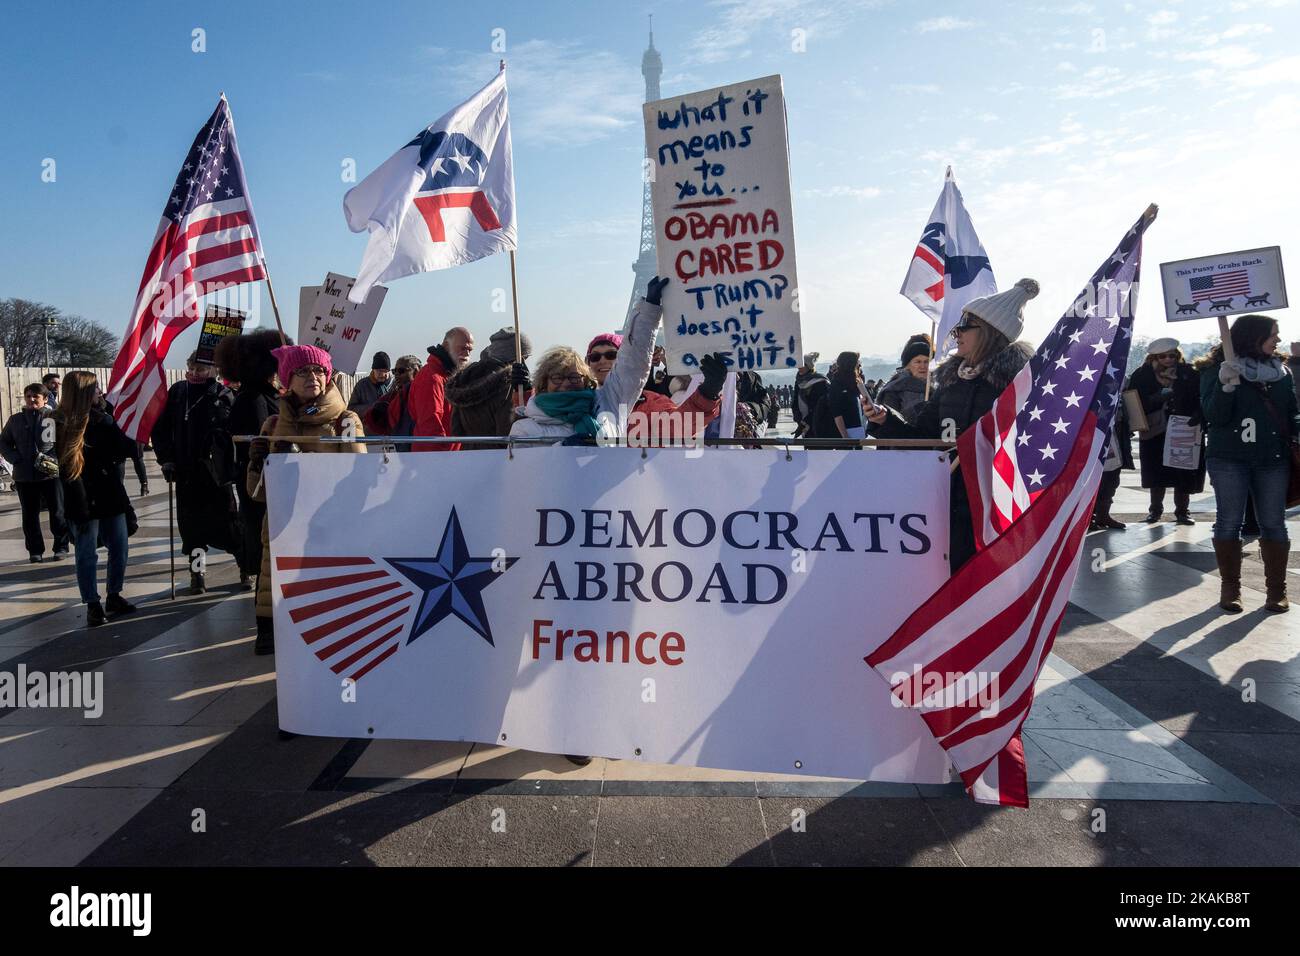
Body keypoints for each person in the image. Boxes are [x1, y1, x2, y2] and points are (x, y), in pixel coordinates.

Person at [869, 278, 1040, 573]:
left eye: (966, 324)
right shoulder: (951, 382)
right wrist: (885, 420)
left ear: (988, 332)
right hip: (948, 501)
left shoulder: (1017, 388)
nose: (956, 331)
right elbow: (923, 436)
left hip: (993, 506)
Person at [246, 346, 366, 654]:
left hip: (326, 530)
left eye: (319, 370)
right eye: (302, 371)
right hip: (283, 528)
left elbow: (359, 482)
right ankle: (268, 629)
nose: (313, 377)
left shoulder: (346, 421)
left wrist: (308, 466)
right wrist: (259, 464)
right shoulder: (273, 425)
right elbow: (257, 494)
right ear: (287, 379)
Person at [1199, 314, 1298, 614]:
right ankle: (1231, 588)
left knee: (1274, 524)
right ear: (1252, 337)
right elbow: (1214, 417)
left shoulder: (1282, 373)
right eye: (1272, 334)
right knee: (1229, 522)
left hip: (1272, 458)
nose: (1277, 339)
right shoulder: (1215, 371)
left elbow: (1291, 412)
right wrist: (1225, 387)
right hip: (1229, 458)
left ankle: (1276, 591)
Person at [511, 278, 668, 443]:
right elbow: (526, 467)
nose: (566, 383)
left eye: (574, 377)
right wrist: (562, 452)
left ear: (586, 380)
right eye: (557, 377)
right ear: (543, 384)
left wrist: (650, 308)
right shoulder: (524, 428)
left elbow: (633, 362)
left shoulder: (609, 403)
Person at [53, 371, 139, 627]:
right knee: (87, 553)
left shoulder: (104, 420)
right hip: (80, 497)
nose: (99, 392)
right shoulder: (57, 422)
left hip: (110, 493)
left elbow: (125, 450)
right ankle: (92, 602)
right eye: (95, 389)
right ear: (81, 392)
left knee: (120, 547)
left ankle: (114, 594)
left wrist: (124, 422)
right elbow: (51, 463)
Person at [151, 352, 241, 593]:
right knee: (193, 531)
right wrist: (166, 459)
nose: (197, 371)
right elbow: (160, 428)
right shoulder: (179, 392)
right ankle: (197, 574)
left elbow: (235, 430)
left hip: (216, 474)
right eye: (194, 366)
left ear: (215, 370)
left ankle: (244, 568)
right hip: (186, 472)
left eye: (203, 367)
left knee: (229, 525)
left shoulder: (223, 394)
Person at [216, 329, 284, 593]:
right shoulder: (255, 398)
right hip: (261, 479)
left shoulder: (259, 393)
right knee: (261, 534)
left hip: (261, 478)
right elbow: (263, 437)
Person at [583, 326, 722, 445]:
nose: (602, 361)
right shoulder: (579, 403)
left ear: (624, 360)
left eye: (611, 355)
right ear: (588, 363)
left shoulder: (649, 403)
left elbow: (680, 426)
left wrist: (708, 393)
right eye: (595, 357)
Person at [1125, 338, 1205, 525]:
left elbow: (1201, 396)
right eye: (1163, 356)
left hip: (1184, 428)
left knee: (1184, 471)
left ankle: (1182, 512)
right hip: (1155, 430)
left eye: (1172, 355)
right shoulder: (1142, 374)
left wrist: (1198, 415)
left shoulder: (1189, 372)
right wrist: (1161, 396)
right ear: (1154, 357)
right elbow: (1135, 402)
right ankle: (1155, 511)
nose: (1168, 359)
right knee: (1156, 471)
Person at [0, 383, 70, 562]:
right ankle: (35, 550)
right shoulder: (16, 420)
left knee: (57, 512)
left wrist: (55, 461)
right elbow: (4, 442)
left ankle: (61, 546)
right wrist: (15, 458)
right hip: (24, 476)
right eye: (28, 396)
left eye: (36, 397)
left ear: (45, 399)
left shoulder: (54, 418)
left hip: (50, 474)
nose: (31, 400)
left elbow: (65, 442)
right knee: (30, 515)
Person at [447, 329, 533, 449]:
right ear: (517, 357)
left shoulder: (464, 379)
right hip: (498, 460)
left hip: (468, 457)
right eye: (525, 357)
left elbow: (457, 431)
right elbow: (509, 435)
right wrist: (526, 393)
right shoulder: (508, 386)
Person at [410, 327, 474, 451]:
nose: (467, 354)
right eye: (463, 348)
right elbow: (430, 425)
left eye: (470, 350)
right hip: (436, 458)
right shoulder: (432, 377)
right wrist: (443, 457)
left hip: (449, 455)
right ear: (446, 345)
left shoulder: (449, 376)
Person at [1091, 399, 1133, 530]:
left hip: (1117, 430)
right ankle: (1088, 516)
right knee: (1093, 480)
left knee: (1112, 479)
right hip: (1097, 429)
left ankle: (1103, 515)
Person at [876, 334, 933, 419]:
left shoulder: (940, 386)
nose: (923, 366)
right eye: (917, 361)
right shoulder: (894, 389)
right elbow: (888, 422)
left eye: (926, 361)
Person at [827, 351, 868, 440]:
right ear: (850, 364)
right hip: (846, 433)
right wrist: (845, 437)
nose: (859, 364)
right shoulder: (837, 383)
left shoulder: (857, 382)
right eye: (857, 362)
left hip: (860, 429)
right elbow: (837, 412)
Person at [347, 351, 393, 419]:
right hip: (366, 427)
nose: (383, 374)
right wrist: (371, 409)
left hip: (389, 427)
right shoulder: (362, 385)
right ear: (373, 370)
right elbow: (351, 409)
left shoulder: (394, 385)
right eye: (379, 371)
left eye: (385, 371)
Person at [792, 353, 828, 439]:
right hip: (804, 424)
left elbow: (820, 406)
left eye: (803, 365)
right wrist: (798, 418)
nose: (799, 367)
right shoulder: (798, 382)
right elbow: (795, 402)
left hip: (819, 423)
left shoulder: (820, 382)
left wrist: (805, 422)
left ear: (809, 366)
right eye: (798, 365)